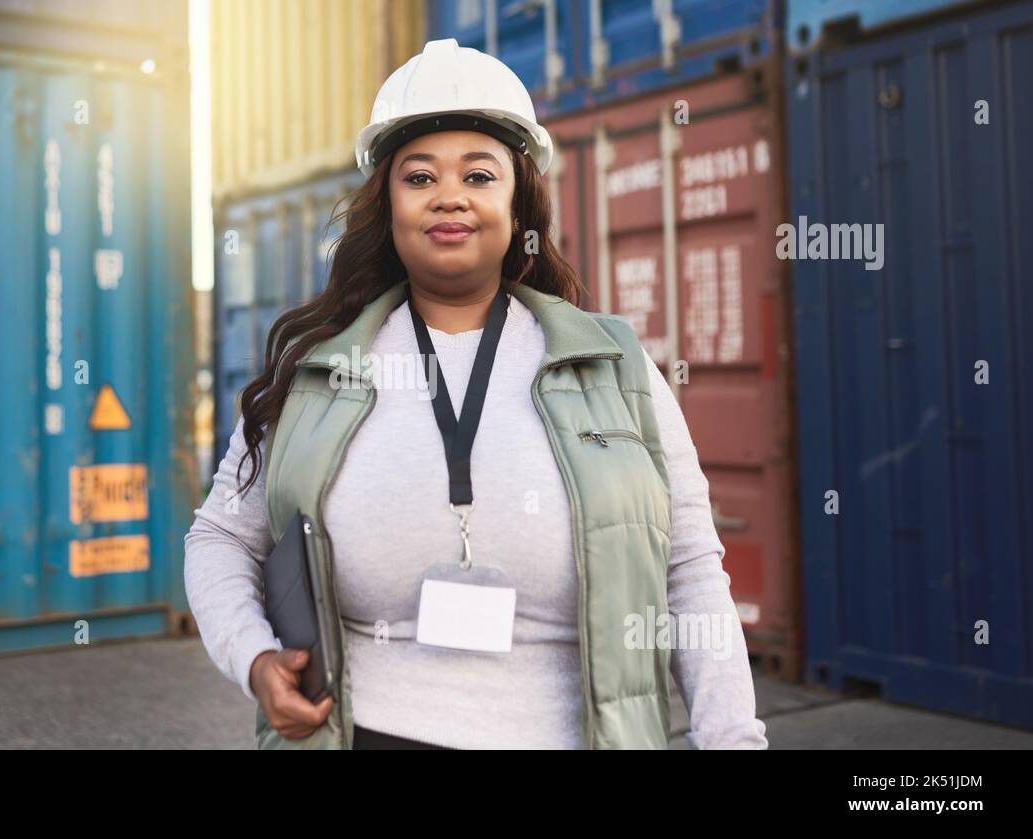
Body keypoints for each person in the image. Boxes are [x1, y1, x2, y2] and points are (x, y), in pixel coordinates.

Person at [185, 38, 768, 750]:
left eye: (480, 174)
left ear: (518, 201)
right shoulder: (319, 372)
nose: (449, 196)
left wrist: (733, 739)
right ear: (387, 203)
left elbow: (689, 572)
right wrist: (253, 656)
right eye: (420, 175)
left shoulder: (615, 368)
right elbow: (220, 537)